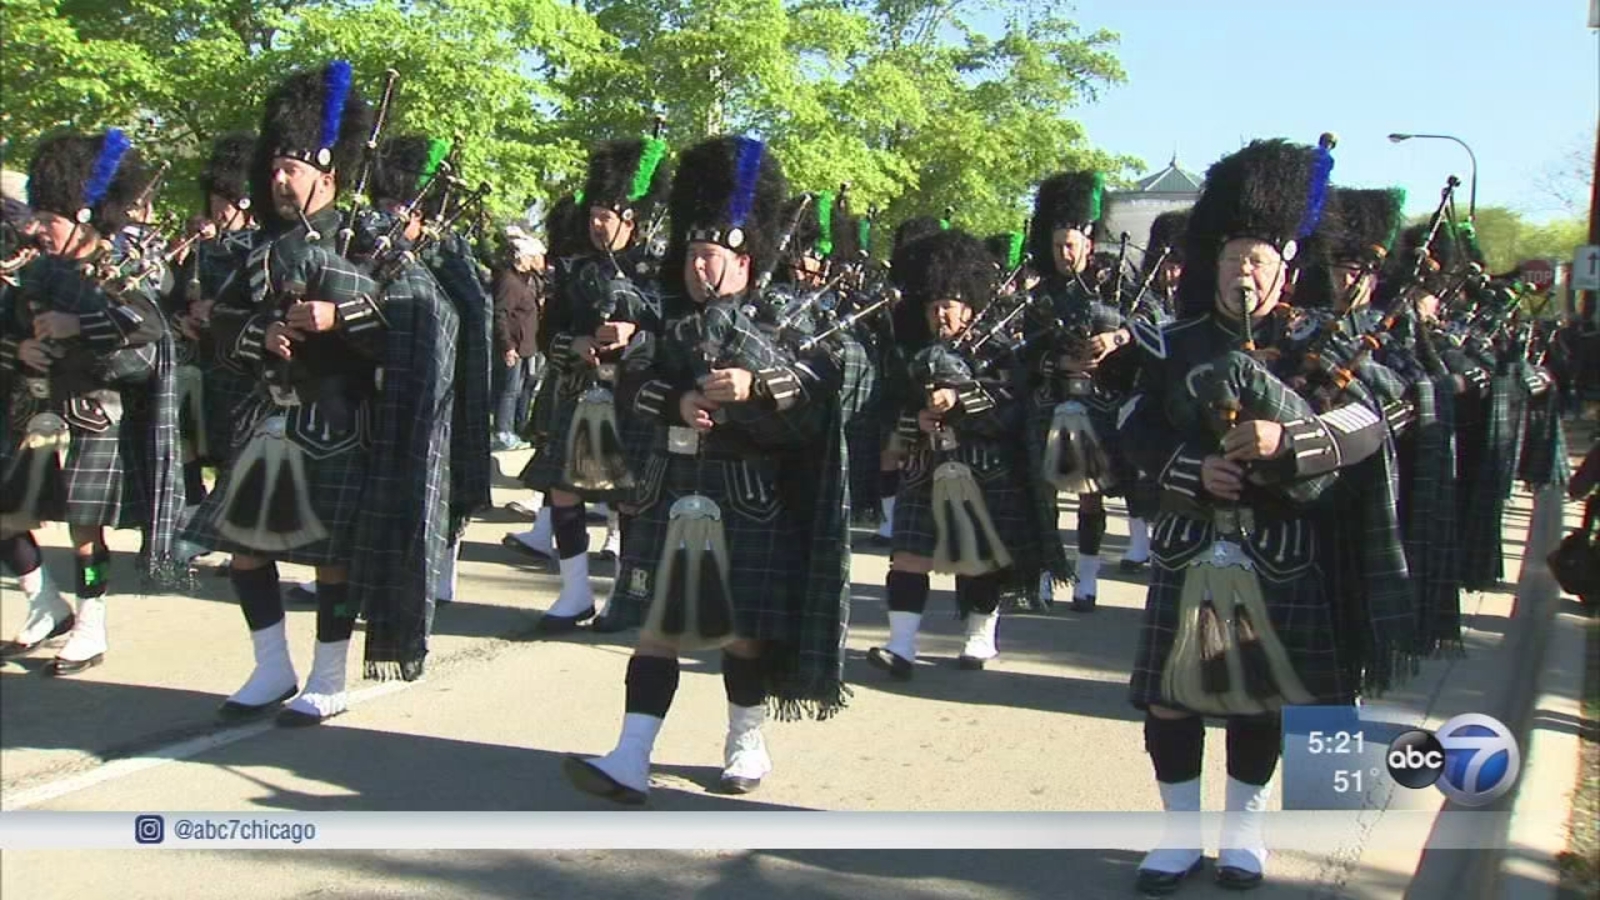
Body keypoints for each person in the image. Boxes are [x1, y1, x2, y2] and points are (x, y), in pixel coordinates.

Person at [1116, 137, 1415, 893]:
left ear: (1284, 265)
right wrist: (1192, 469)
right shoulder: (1172, 343)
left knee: (1263, 699)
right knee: (1168, 698)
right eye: (1231, 257)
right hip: (1191, 543)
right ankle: (1179, 835)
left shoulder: (1322, 342)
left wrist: (1290, 439)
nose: (1242, 272)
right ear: (1213, 261)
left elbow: (1372, 424)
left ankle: (1244, 836)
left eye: (1257, 260)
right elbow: (1130, 425)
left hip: (1281, 547)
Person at [564, 135, 858, 803]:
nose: (698, 268)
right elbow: (633, 383)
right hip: (673, 489)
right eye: (693, 254)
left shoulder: (786, 319)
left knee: (743, 635)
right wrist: (683, 398)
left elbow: (816, 410)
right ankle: (631, 755)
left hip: (748, 495)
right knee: (656, 629)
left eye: (712, 256)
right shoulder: (663, 313)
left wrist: (755, 390)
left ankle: (744, 739)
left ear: (744, 260)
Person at [182, 61, 457, 724]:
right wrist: (264, 332)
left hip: (339, 421)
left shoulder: (370, 242)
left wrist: (344, 317)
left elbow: (430, 317)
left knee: (331, 561)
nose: (279, 178)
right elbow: (218, 321)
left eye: (293, 168)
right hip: (268, 421)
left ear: (327, 176)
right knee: (247, 552)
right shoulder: (258, 249)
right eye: (275, 167)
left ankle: (328, 678)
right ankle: (271, 667)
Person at [0, 129, 185, 673]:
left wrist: (75, 324)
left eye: (50, 220)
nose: (37, 229)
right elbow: (8, 329)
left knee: (85, 531)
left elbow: (148, 327)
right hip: (37, 410)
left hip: (95, 409)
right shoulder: (38, 269)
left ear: (82, 217)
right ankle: (43, 604)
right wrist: (24, 346)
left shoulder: (117, 268)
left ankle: (90, 622)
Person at [865, 228, 1055, 676]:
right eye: (933, 307)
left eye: (947, 306)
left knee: (980, 557)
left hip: (983, 468)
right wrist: (920, 419)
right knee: (908, 555)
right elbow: (894, 403)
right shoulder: (915, 350)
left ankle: (979, 637)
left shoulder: (1000, 351)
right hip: (926, 465)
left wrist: (959, 403)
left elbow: (1009, 413)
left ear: (969, 307)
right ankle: (902, 645)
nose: (939, 316)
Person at [513, 136, 670, 634]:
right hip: (581, 394)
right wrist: (575, 345)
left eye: (608, 215)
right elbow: (546, 334)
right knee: (563, 492)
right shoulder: (577, 269)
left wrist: (635, 337)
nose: (597, 223)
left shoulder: (661, 275)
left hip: (635, 401)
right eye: (595, 213)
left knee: (629, 500)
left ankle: (627, 595)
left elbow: (678, 339)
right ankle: (574, 592)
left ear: (634, 220)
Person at [1023, 171, 1136, 610]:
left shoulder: (1117, 283)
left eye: (1070, 245)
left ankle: (1088, 579)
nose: (1063, 254)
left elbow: (1155, 323)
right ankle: (1049, 573)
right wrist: (1058, 362)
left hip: (1098, 399)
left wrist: (1116, 340)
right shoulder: (1042, 292)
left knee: (1091, 494)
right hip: (1051, 399)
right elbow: (1024, 351)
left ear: (1088, 241)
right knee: (1044, 493)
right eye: (1056, 246)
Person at [169, 132, 259, 568]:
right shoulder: (199, 248)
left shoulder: (258, 249)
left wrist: (219, 313)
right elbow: (171, 298)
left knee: (231, 450)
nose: (216, 208)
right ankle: (193, 513)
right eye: (213, 200)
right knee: (186, 442)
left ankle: (222, 529)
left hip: (238, 364)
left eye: (224, 200)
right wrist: (181, 319)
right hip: (197, 362)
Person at [491, 228, 544, 451]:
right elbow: (500, 313)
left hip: (526, 345)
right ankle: (503, 431)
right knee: (509, 389)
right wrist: (508, 345)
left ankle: (512, 428)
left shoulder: (526, 281)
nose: (538, 260)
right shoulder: (510, 282)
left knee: (519, 388)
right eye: (534, 256)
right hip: (514, 345)